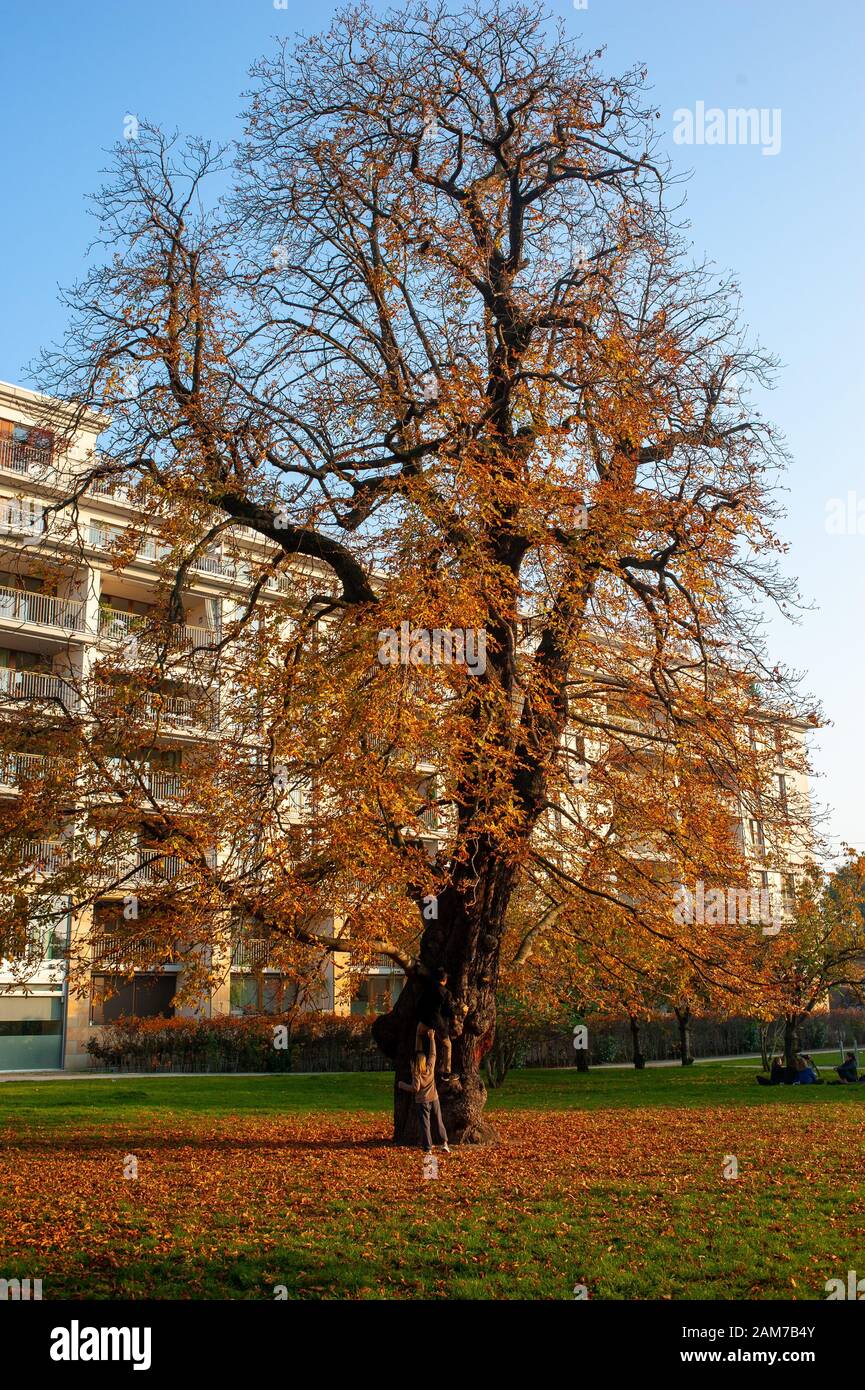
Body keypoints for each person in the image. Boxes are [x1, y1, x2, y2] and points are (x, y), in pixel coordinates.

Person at [398, 1031, 450, 1155]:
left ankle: (428, 1148)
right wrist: (432, 1039)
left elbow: (415, 1088)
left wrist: (402, 1085)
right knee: (438, 1121)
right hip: (434, 1098)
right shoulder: (430, 1067)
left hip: (422, 1102)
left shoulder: (417, 1074)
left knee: (426, 1125)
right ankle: (445, 1143)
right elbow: (433, 1053)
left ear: (415, 1062)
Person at [416, 966, 464, 1078]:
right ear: (445, 980)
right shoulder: (446, 993)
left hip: (424, 1021)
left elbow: (419, 1004)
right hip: (438, 1024)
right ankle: (447, 1073)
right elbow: (448, 1010)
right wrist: (456, 1015)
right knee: (447, 1045)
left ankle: (417, 1064)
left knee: (418, 1036)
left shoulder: (427, 988)